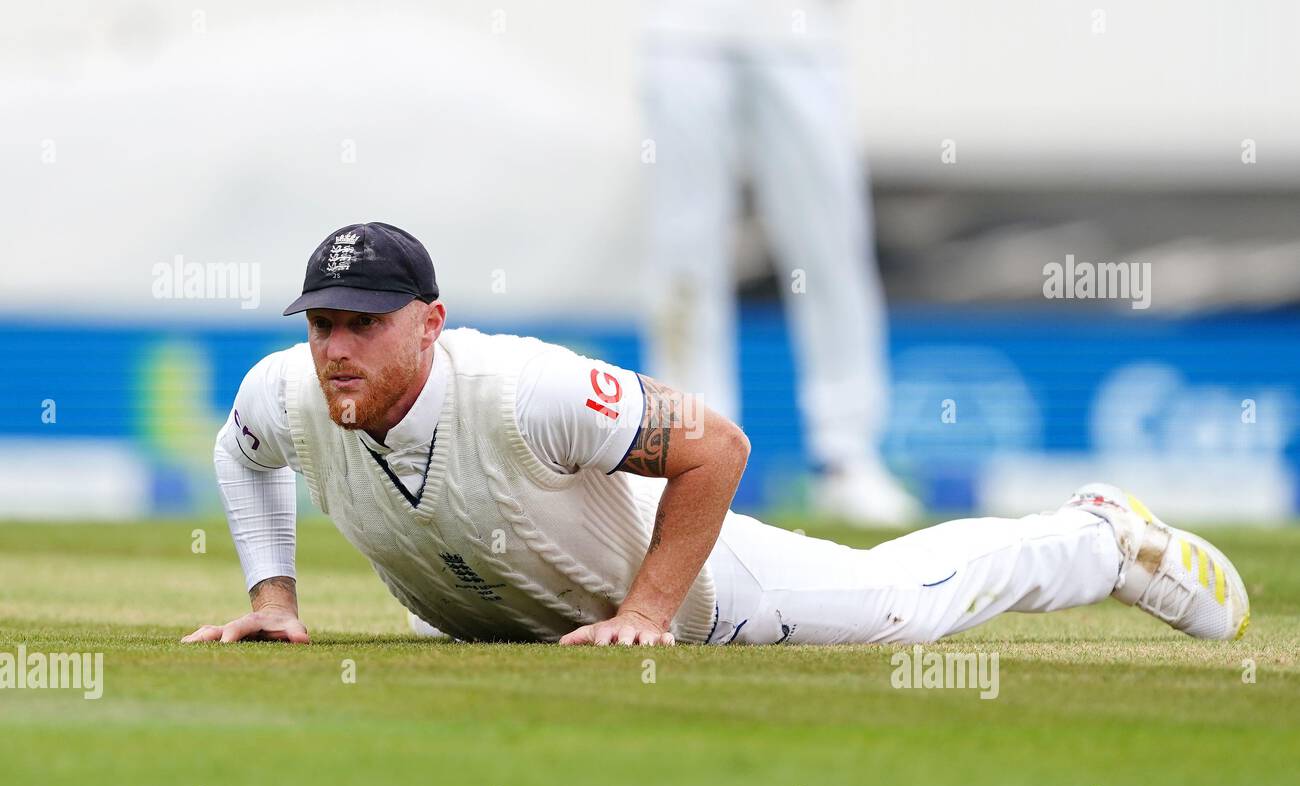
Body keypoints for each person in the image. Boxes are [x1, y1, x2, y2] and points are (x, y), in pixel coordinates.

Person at [183, 223, 1249, 647]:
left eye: (364, 323)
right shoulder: (283, 393)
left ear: (429, 322)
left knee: (895, 608)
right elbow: (238, 454)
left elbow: (718, 444)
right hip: (499, 608)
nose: (337, 348)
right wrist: (271, 599)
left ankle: (1095, 537)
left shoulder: (527, 389)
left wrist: (649, 611)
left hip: (694, 585)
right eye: (324, 323)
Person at [640, 0, 918, 524]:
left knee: (829, 244)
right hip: (684, 27)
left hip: (799, 30)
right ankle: (689, 451)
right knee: (683, 248)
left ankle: (847, 456)